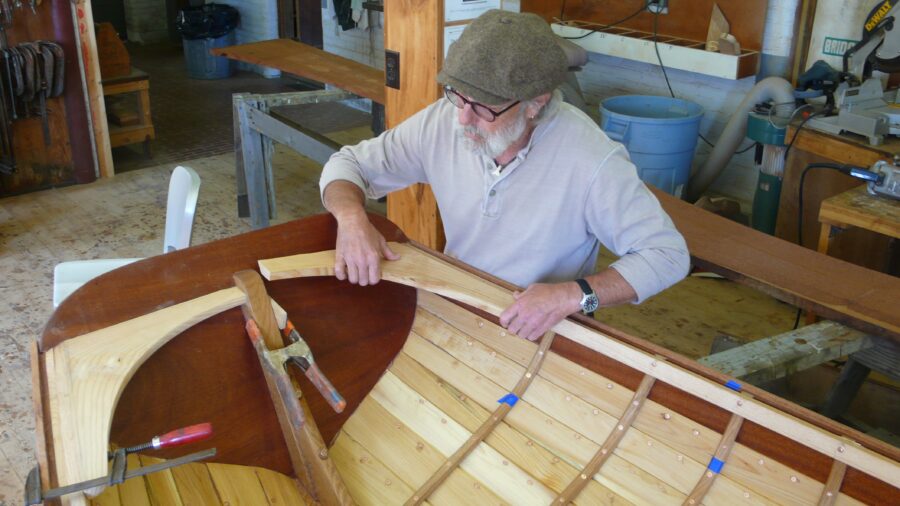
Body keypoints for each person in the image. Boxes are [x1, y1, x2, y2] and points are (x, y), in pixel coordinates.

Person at [319, 9, 690, 341]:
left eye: (483, 107)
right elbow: (348, 165)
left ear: (536, 103)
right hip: (460, 305)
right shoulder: (447, 120)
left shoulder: (591, 158)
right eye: (458, 97)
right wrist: (352, 220)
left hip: (542, 327)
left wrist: (571, 295)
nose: (463, 118)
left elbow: (666, 255)